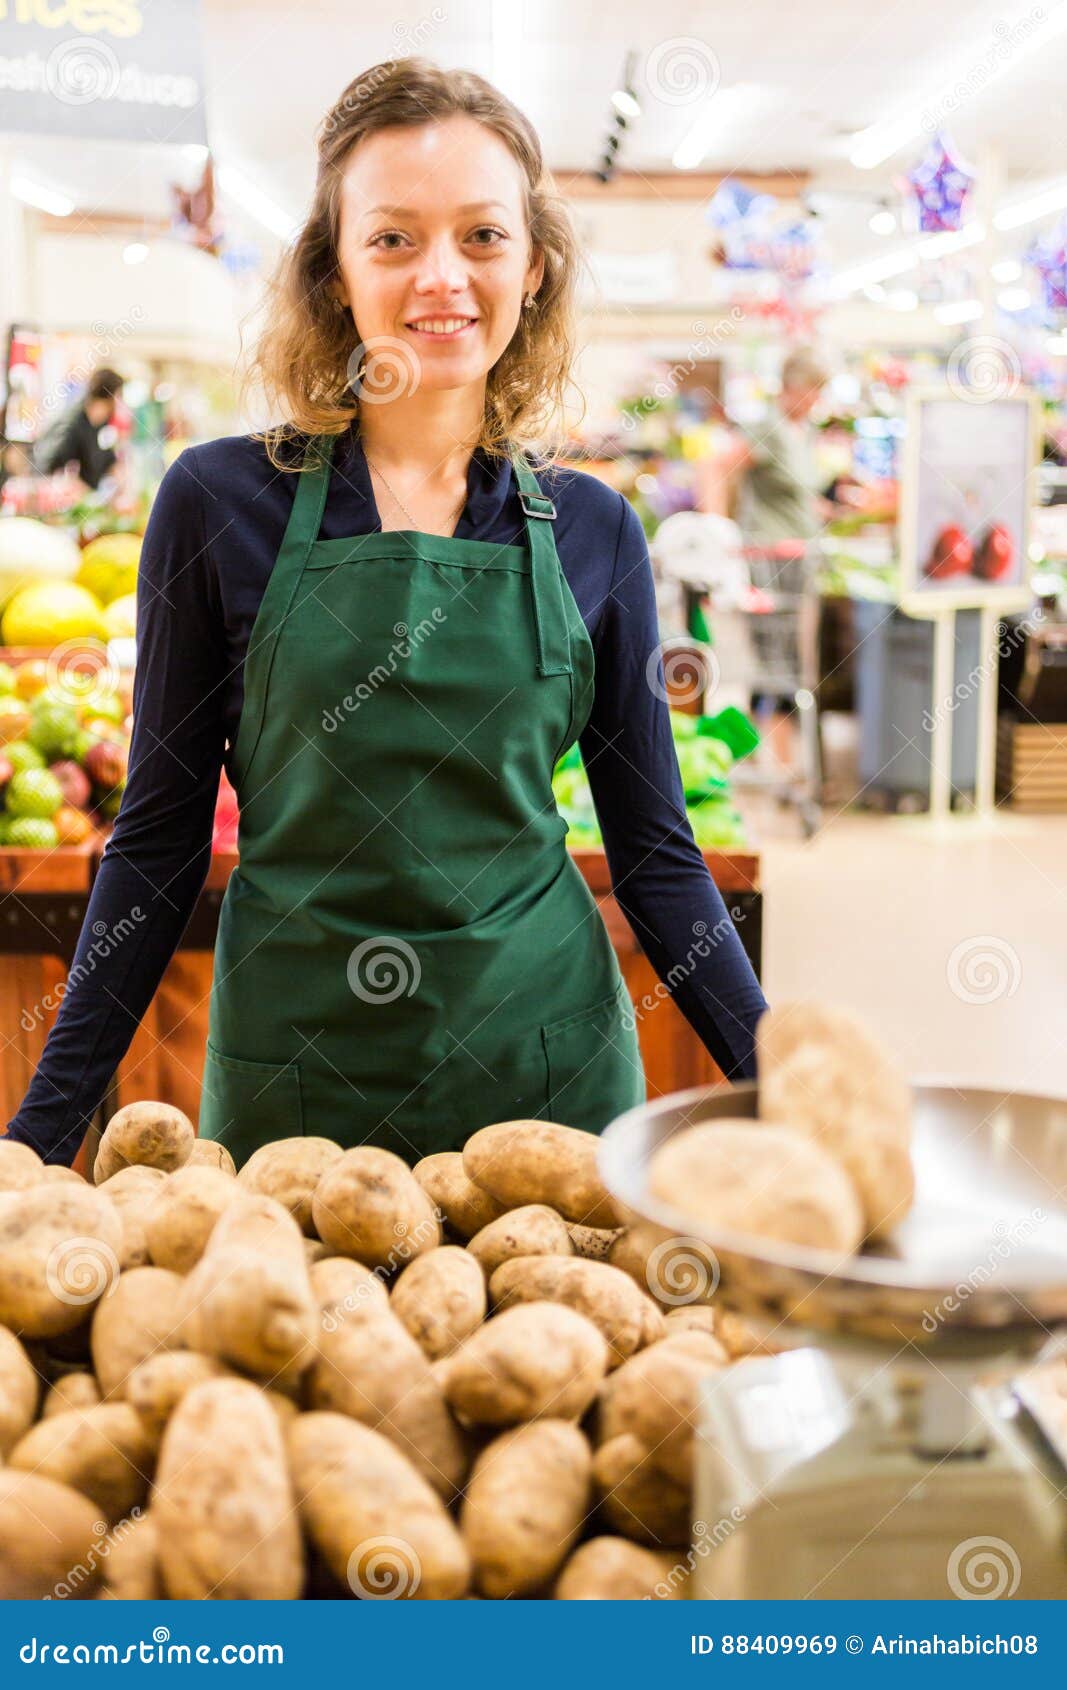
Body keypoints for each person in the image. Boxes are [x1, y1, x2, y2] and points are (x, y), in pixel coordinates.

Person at [4, 59, 767, 1169]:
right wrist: (38, 1133)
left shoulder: (595, 527)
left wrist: (777, 1085)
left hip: (548, 1083)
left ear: (535, 264)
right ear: (334, 270)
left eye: (482, 236)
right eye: (394, 238)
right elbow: (159, 842)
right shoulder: (218, 505)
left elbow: (652, 852)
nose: (442, 277)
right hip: (299, 1090)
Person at [732, 347, 831, 546]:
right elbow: (714, 465)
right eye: (814, 390)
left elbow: (794, 491)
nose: (817, 399)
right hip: (771, 553)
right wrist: (718, 528)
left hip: (800, 551)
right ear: (793, 388)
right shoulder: (769, 428)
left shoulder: (805, 430)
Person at [33, 366, 124, 491]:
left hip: (90, 500)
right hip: (64, 501)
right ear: (109, 397)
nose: (120, 403)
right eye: (118, 396)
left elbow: (106, 458)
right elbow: (49, 466)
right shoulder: (72, 424)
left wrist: (116, 472)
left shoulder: (102, 423)